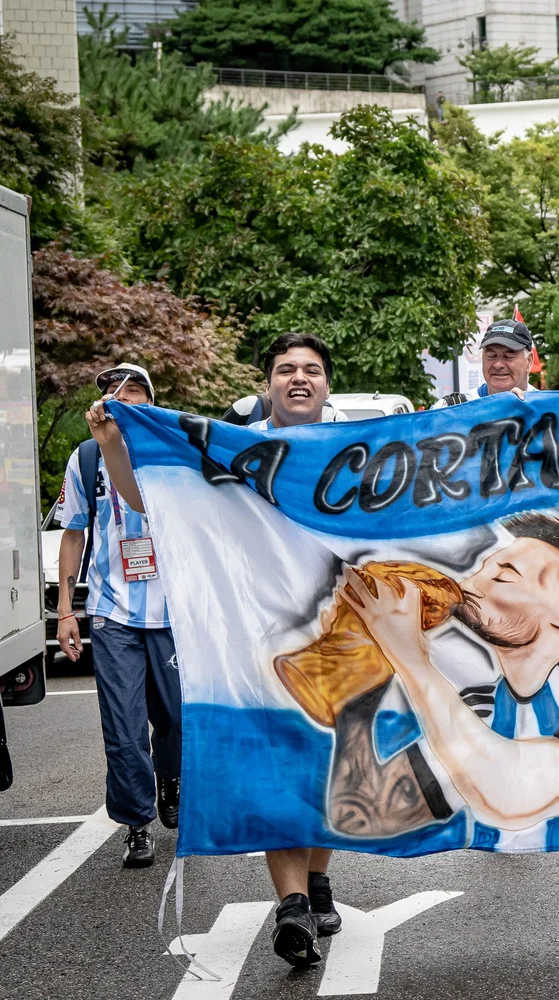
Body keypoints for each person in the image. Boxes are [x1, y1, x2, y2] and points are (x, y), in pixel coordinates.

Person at [86, 334, 346, 967]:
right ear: (269, 385)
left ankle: (316, 878)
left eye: (311, 370)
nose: (300, 378)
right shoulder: (233, 452)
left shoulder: (353, 452)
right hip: (253, 640)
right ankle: (290, 907)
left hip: (339, 640)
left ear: (327, 386)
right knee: (276, 769)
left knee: (327, 773)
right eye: (287, 369)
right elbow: (151, 498)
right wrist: (113, 445)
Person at [319, 514, 559, 852]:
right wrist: (360, 678)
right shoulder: (483, 704)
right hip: (517, 918)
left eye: (504, 574)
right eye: (484, 567)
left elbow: (512, 793)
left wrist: (411, 659)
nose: (469, 583)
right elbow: (363, 815)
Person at [56, 363, 180, 869]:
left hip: (175, 611)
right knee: (123, 726)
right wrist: (67, 610)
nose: (124, 399)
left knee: (176, 719)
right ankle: (136, 823)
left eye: (135, 391)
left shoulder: (171, 451)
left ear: (151, 400)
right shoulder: (86, 458)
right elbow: (73, 532)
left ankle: (171, 781)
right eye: (114, 392)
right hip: (111, 613)